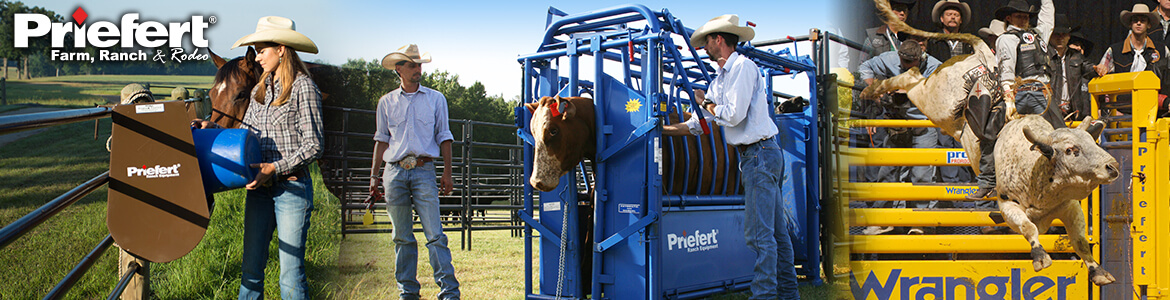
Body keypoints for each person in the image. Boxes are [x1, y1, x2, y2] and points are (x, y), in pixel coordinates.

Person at [662, 14, 799, 300]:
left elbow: (732, 115)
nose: (704, 48)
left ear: (719, 40)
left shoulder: (743, 68)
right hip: (760, 154)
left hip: (758, 154)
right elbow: (701, 123)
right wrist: (663, 130)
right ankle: (788, 295)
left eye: (707, 42)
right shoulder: (722, 78)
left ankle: (764, 296)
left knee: (759, 236)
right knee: (776, 234)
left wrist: (704, 102)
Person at [193, 16, 324, 300]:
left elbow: (314, 145)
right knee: (251, 269)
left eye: (262, 49)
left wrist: (275, 167)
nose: (258, 56)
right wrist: (213, 128)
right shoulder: (259, 90)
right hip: (259, 189)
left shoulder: (304, 88)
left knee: (291, 272)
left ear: (281, 50)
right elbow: (247, 130)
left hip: (291, 188)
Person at [369, 44, 460, 300]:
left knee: (434, 234)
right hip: (394, 171)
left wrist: (447, 172)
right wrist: (374, 177)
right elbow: (381, 140)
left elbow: (445, 136)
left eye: (420, 64)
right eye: (412, 65)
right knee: (401, 237)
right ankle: (407, 293)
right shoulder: (386, 102)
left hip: (424, 170)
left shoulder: (436, 98)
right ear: (399, 69)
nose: (418, 69)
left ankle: (450, 293)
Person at [968, 0, 1055, 200]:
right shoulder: (1006, 39)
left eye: (1026, 16)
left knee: (1063, 134)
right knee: (988, 133)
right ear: (1009, 18)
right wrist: (1009, 99)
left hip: (1044, 94)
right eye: (1019, 16)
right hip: (1021, 93)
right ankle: (987, 181)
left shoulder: (1039, 33)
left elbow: (1048, 16)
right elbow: (1007, 70)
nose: (1024, 19)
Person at [858, 36, 944, 235]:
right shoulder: (888, 58)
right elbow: (865, 67)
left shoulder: (935, 67)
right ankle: (881, 220)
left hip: (922, 123)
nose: (906, 66)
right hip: (894, 120)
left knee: (921, 174)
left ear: (921, 58)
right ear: (899, 55)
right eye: (903, 62)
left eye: (910, 63)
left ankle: (918, 221)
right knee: (887, 171)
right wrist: (875, 90)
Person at [928, 0, 975, 185]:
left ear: (961, 20)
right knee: (946, 143)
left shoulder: (970, 43)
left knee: (964, 143)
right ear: (941, 18)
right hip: (941, 100)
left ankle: (964, 189)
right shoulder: (933, 42)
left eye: (956, 14)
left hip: (965, 101)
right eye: (949, 14)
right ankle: (950, 188)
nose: (953, 17)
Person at [1048, 14, 1098, 122]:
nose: (1060, 37)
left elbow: (1089, 68)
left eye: (1064, 34)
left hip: (1072, 114)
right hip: (1050, 115)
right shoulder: (1043, 56)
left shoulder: (1076, 56)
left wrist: (1097, 69)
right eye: (1057, 34)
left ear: (1069, 36)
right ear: (1050, 35)